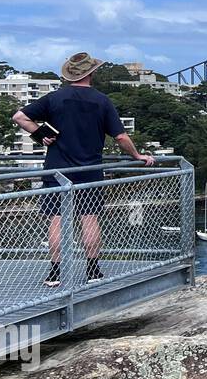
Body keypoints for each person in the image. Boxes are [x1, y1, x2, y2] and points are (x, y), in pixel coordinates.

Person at [12, 52, 155, 287]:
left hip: (56, 171)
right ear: (92, 73)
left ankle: (55, 273)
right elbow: (120, 136)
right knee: (89, 220)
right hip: (90, 170)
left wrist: (40, 134)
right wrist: (138, 156)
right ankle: (92, 270)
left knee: (57, 220)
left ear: (70, 74)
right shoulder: (101, 101)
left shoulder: (55, 98)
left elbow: (19, 116)